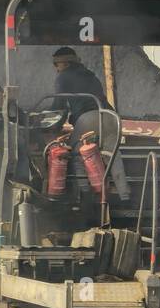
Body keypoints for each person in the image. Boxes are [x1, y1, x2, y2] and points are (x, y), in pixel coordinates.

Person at [50, 47, 128, 200]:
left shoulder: (62, 77)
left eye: (56, 65)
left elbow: (58, 106)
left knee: (76, 155)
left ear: (64, 63)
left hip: (87, 118)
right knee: (113, 157)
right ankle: (124, 196)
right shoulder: (90, 75)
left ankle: (84, 195)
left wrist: (53, 126)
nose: (56, 69)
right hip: (110, 117)